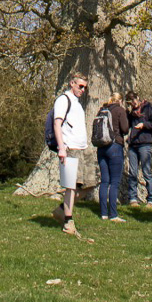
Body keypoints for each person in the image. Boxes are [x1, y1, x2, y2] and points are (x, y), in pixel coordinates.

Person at [51, 71, 89, 237]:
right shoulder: (63, 100)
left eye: (85, 87)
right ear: (72, 83)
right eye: (80, 86)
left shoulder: (77, 103)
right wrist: (61, 147)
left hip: (81, 149)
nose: (82, 90)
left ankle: (61, 211)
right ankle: (68, 221)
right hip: (70, 148)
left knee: (88, 185)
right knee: (71, 186)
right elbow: (57, 124)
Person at [96, 92, 130, 222]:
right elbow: (125, 129)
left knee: (104, 181)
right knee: (114, 182)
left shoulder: (102, 110)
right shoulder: (120, 110)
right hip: (115, 146)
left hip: (101, 147)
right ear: (120, 100)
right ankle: (113, 214)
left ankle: (103, 213)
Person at [125, 90, 152, 207]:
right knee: (133, 172)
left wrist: (144, 125)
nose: (134, 104)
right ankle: (133, 198)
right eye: (131, 103)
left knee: (147, 172)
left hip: (145, 143)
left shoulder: (148, 107)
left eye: (134, 101)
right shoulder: (131, 112)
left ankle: (151, 199)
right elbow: (127, 125)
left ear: (138, 98)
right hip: (133, 144)